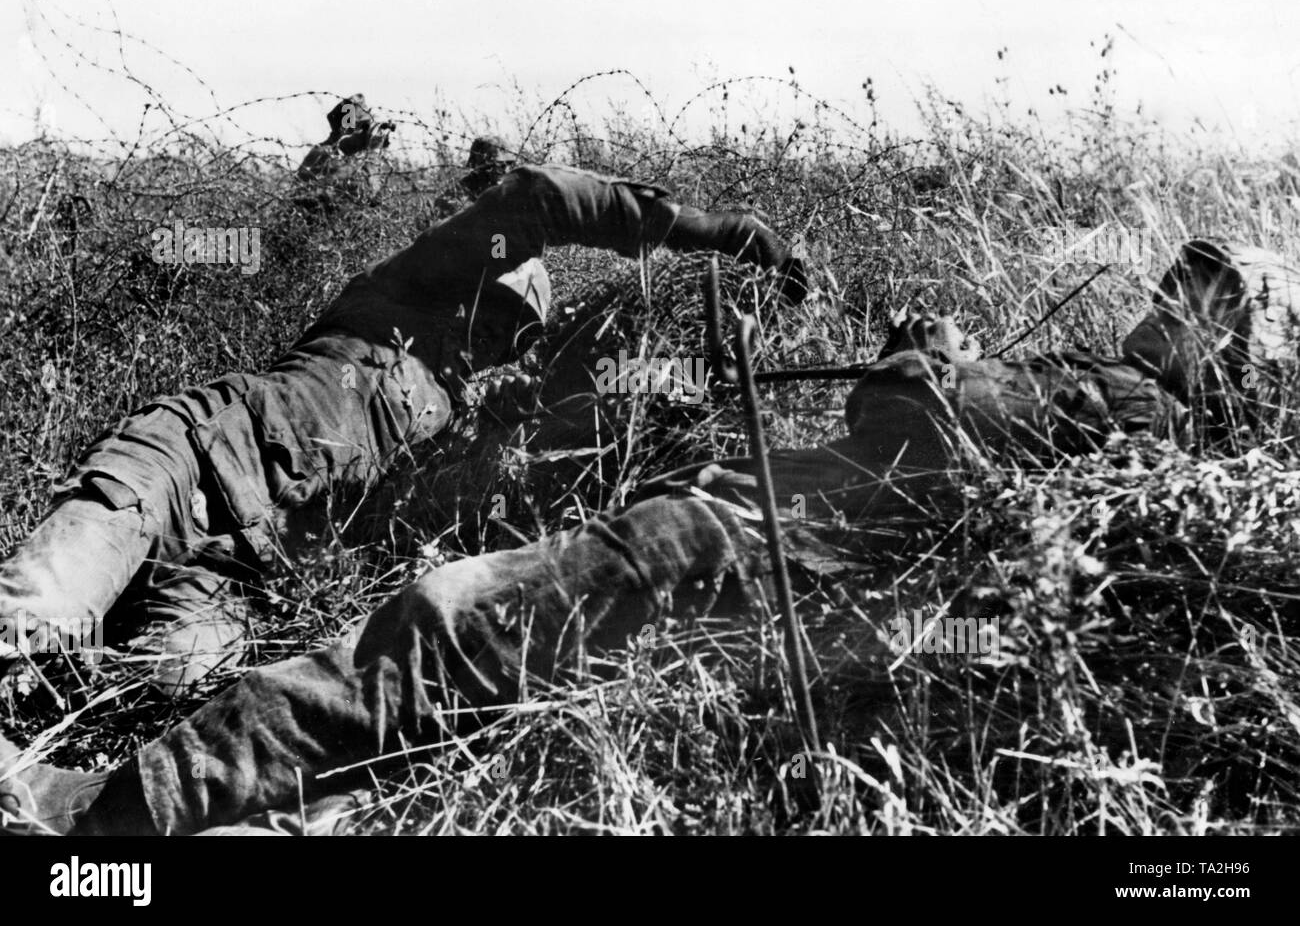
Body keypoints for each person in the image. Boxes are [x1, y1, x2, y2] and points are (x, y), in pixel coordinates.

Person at [1, 237, 1288, 836]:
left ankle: (97, 819)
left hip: (734, 543)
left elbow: (915, 418)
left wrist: (924, 353)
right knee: (443, 723)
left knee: (433, 637)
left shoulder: (1124, 403)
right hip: (780, 582)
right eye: (1178, 284)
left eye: (1196, 300)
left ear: (1224, 345)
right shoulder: (1150, 439)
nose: (1164, 305)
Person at [0, 160, 806, 695]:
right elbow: (539, 199)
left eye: (514, 339)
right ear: (475, 292)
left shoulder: (456, 426)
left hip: (232, 571)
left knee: (158, 690)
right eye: (497, 318)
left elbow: (561, 452)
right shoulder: (396, 298)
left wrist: (678, 395)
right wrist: (719, 232)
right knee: (26, 618)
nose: (495, 344)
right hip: (180, 462)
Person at [293, 94, 396, 213]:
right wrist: (373, 150)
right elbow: (369, 195)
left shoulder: (324, 151)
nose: (365, 133)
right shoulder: (328, 155)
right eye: (364, 128)